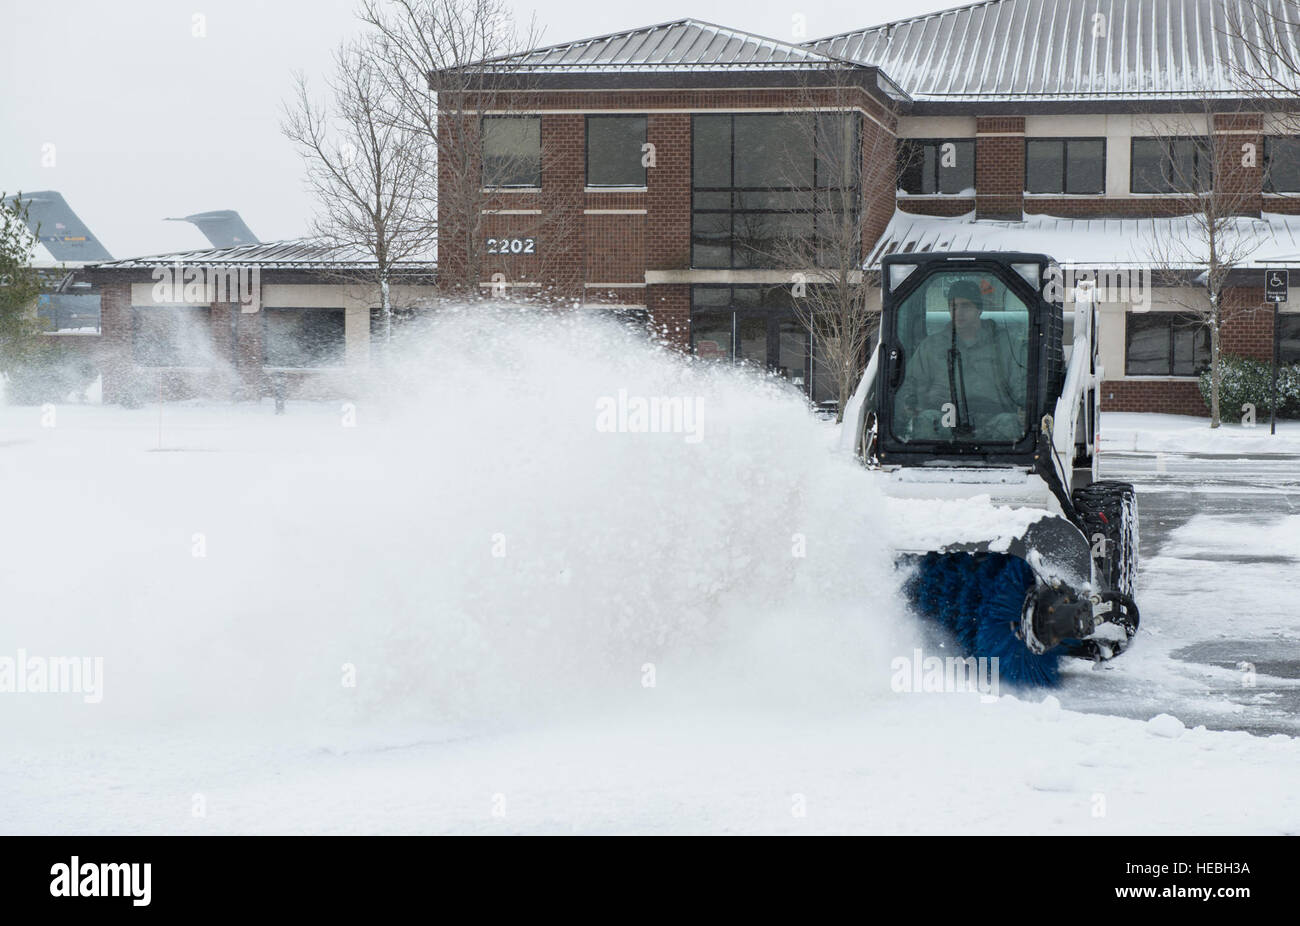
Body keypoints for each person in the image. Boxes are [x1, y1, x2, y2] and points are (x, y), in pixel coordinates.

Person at [896, 279, 1026, 441]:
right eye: (953, 306)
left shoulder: (1004, 346)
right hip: (945, 418)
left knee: (1009, 423)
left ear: (979, 309)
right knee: (926, 420)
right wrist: (912, 404)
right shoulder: (931, 346)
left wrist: (1024, 407)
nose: (958, 312)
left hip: (992, 418)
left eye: (965, 306)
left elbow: (1020, 384)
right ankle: (927, 465)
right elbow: (911, 383)